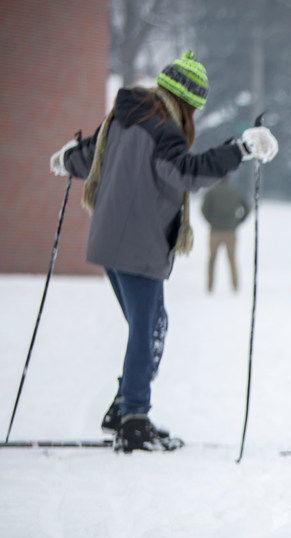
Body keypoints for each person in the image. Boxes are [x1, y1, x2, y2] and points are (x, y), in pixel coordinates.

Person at [48, 51, 279, 452]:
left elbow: (88, 157)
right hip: (138, 245)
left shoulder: (121, 118)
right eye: (194, 109)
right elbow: (187, 172)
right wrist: (240, 149)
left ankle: (125, 408)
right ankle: (133, 418)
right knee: (147, 329)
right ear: (186, 102)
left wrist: (67, 158)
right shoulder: (163, 129)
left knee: (151, 326)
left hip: (110, 241)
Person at [201, 178, 250, 293]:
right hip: (230, 231)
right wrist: (237, 222)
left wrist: (211, 221)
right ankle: (235, 286)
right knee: (232, 259)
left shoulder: (212, 192)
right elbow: (247, 208)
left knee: (212, 260)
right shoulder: (235, 191)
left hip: (215, 231)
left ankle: (210, 287)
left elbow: (204, 209)